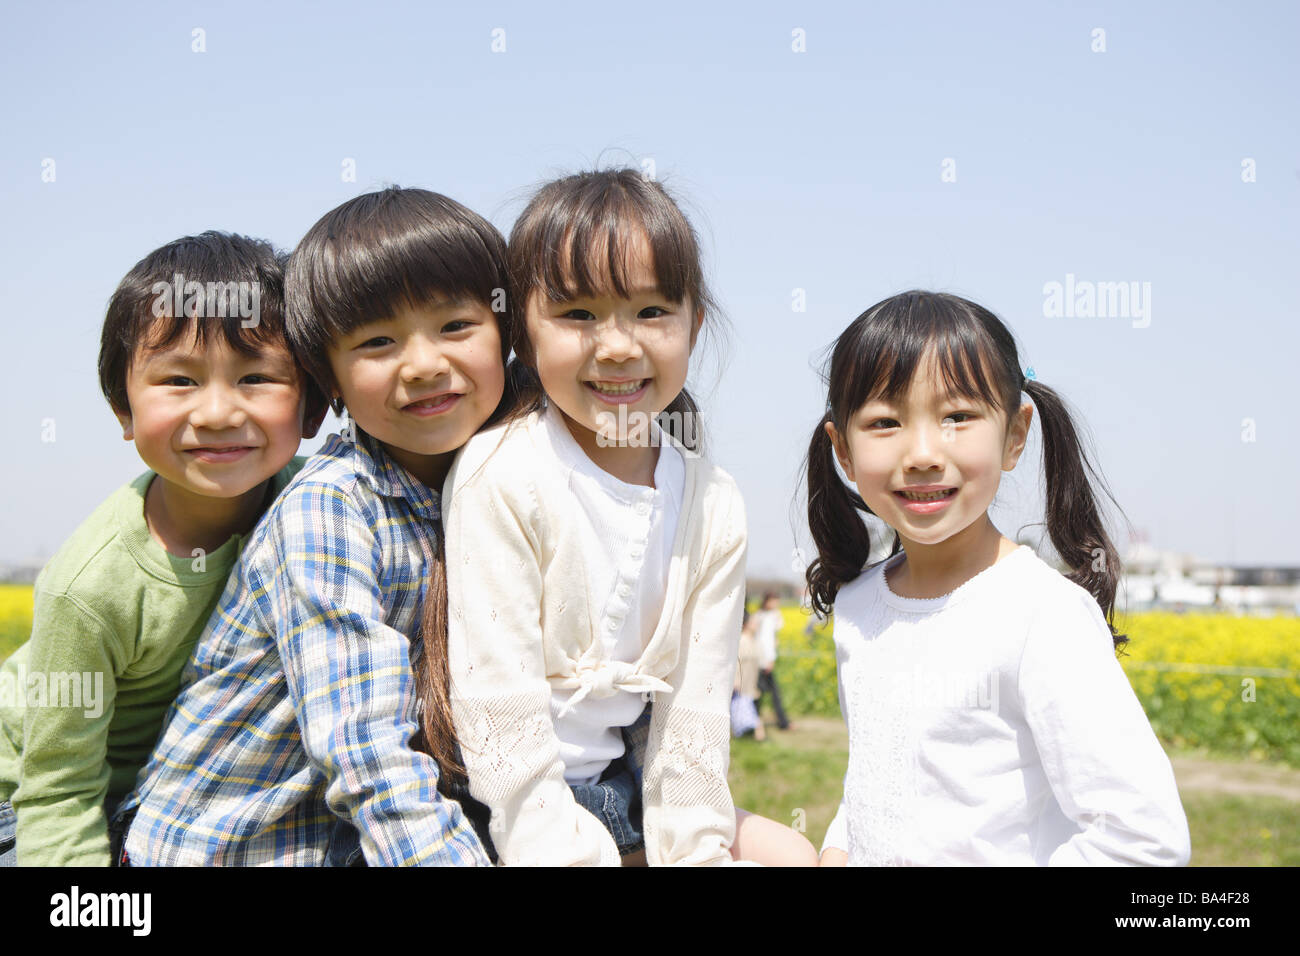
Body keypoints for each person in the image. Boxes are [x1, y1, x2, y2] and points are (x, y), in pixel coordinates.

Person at [119, 188, 513, 865]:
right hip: (215, 853)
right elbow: (365, 751)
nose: (422, 365)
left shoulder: (493, 487)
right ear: (325, 380)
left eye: (455, 326)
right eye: (377, 341)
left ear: (510, 338)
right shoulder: (331, 510)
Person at [440, 169, 817, 865]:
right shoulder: (504, 473)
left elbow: (693, 723)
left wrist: (696, 853)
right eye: (578, 315)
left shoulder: (713, 500)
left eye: (650, 312)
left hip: (620, 795)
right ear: (522, 330)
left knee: (792, 853)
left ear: (694, 323)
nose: (617, 347)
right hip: (495, 809)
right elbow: (502, 718)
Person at [806, 290, 1191, 866]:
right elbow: (880, 778)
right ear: (842, 449)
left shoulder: (1041, 615)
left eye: (957, 417)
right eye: (885, 422)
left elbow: (1142, 838)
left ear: (1015, 435)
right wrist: (838, 848)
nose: (923, 453)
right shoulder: (860, 607)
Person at [0, 232, 327, 866]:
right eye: (178, 380)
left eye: (257, 376)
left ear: (312, 404)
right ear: (123, 409)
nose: (217, 412)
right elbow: (58, 791)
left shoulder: (324, 505)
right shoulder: (90, 586)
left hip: (178, 806)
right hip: (32, 805)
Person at [753, 592, 790, 730]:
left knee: (761, 692)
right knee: (764, 693)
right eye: (774, 601)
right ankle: (781, 722)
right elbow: (765, 641)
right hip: (763, 660)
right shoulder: (765, 617)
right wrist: (769, 659)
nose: (776, 604)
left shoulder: (766, 616)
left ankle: (756, 720)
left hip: (762, 659)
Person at [733, 610, 764, 741]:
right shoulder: (741, 641)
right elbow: (735, 662)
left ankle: (744, 733)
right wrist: (736, 679)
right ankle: (758, 733)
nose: (756, 624)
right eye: (753, 622)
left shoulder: (753, 640)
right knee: (743, 707)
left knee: (745, 707)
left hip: (751, 682)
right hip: (742, 683)